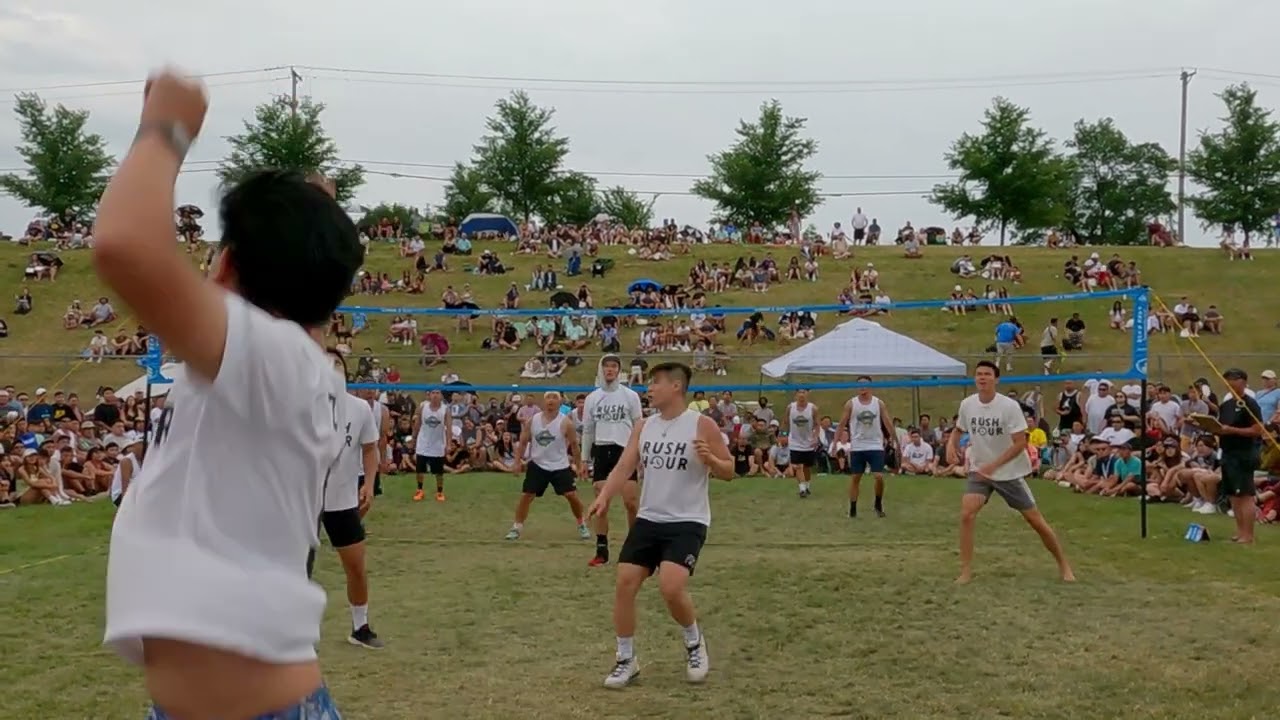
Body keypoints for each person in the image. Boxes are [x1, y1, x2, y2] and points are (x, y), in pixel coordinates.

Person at [96, 73, 362, 719]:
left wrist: (166, 127)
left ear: (227, 267)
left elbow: (125, 245)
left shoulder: (275, 358)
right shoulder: (286, 367)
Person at [585, 362, 734, 689]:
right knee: (624, 582)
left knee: (670, 586)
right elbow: (625, 466)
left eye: (655, 383)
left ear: (676, 387)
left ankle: (694, 643)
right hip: (650, 518)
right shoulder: (644, 426)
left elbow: (729, 470)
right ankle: (626, 660)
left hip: (687, 520)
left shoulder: (701, 424)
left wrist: (710, 460)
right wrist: (606, 496)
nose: (649, 389)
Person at [948, 361, 1075, 585]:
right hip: (980, 470)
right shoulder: (968, 404)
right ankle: (965, 571)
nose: (982, 378)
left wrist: (995, 465)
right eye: (978, 374)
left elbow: (1019, 444)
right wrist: (952, 444)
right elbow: (959, 429)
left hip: (1008, 471)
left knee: (1035, 520)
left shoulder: (1008, 406)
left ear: (996, 379)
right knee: (967, 515)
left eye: (987, 374)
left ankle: (1064, 566)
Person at [317, 351, 384, 649]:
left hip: (342, 499)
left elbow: (370, 449)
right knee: (292, 568)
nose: (332, 369)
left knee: (356, 566)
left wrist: (368, 484)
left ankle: (361, 627)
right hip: (302, 500)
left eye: (337, 364)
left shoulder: (359, 409)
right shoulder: (299, 405)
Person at [581, 354, 644, 566]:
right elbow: (588, 430)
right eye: (606, 366)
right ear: (601, 369)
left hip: (625, 450)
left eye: (614, 366)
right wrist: (583, 459)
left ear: (619, 370)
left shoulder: (630, 396)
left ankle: (635, 547)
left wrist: (640, 454)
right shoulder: (592, 398)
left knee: (631, 502)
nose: (610, 370)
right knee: (601, 502)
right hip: (602, 449)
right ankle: (602, 549)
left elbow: (639, 425)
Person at [505, 391, 590, 540]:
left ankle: (581, 523)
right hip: (538, 464)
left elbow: (575, 446)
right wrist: (517, 462)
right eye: (548, 398)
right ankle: (516, 527)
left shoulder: (566, 422)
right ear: (544, 402)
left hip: (560, 465)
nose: (551, 401)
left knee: (571, 495)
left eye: (554, 398)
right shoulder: (533, 420)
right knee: (526, 496)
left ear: (560, 402)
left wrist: (579, 466)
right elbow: (523, 442)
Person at [1207, 368, 1265, 544]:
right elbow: (1219, 426)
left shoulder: (1249, 403)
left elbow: (1258, 429)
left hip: (1244, 454)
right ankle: (1240, 531)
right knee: (1233, 494)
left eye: (1234, 380)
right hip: (1228, 453)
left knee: (1245, 495)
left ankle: (1248, 535)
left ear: (1243, 382)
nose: (1230, 384)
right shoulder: (1226, 405)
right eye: (1227, 380)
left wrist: (1232, 430)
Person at [838, 376, 896, 517]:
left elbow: (887, 421)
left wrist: (895, 440)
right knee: (856, 478)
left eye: (865, 384)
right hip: (858, 445)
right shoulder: (851, 404)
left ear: (870, 386)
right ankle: (852, 509)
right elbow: (841, 424)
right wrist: (835, 443)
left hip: (875, 444)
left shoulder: (878, 403)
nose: (862, 387)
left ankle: (878, 504)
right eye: (860, 385)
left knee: (878, 476)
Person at [412, 388, 450, 502]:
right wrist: (413, 438)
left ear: (441, 396)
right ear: (429, 395)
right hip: (423, 443)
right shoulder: (423, 407)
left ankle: (439, 492)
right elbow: (417, 424)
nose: (435, 395)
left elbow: (448, 428)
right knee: (420, 469)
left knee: (439, 472)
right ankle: (419, 490)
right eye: (433, 393)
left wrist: (448, 444)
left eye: (437, 393)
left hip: (438, 444)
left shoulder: (445, 410)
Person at [782, 388, 819, 497]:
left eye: (804, 392)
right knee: (798, 466)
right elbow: (785, 422)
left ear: (807, 394)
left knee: (807, 467)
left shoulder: (813, 408)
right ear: (796, 395)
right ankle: (802, 489)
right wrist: (782, 435)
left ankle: (807, 486)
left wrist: (815, 437)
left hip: (808, 442)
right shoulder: (790, 407)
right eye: (799, 392)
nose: (802, 395)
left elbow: (817, 424)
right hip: (794, 441)